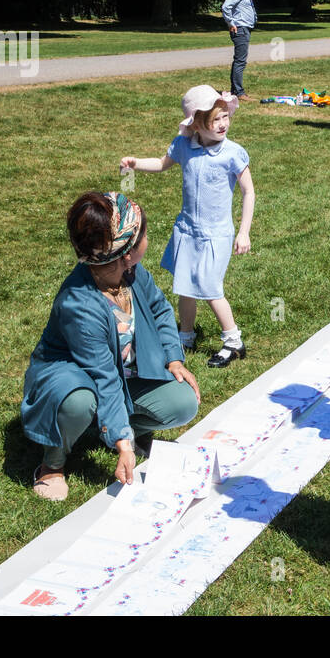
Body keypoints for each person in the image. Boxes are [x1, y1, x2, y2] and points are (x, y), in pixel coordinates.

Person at [22, 192, 200, 501]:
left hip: (120, 377)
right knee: (78, 402)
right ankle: (52, 464)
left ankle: (106, 427)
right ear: (127, 251)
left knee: (183, 402)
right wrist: (123, 445)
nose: (147, 236)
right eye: (142, 232)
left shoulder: (132, 273)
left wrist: (173, 359)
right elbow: (104, 376)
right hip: (74, 381)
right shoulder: (79, 304)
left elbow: (159, 310)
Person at [121, 85, 255, 368]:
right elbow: (161, 163)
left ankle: (234, 341)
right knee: (185, 286)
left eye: (225, 117)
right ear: (196, 124)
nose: (222, 124)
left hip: (216, 233)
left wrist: (244, 231)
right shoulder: (184, 146)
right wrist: (135, 163)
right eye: (214, 120)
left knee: (208, 285)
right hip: (187, 230)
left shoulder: (232, 153)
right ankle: (185, 336)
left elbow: (248, 192)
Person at [220, 0, 257, 98]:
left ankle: (235, 90)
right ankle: (239, 92)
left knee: (240, 60)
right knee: (240, 61)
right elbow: (226, 7)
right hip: (240, 28)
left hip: (244, 27)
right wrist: (231, 23)